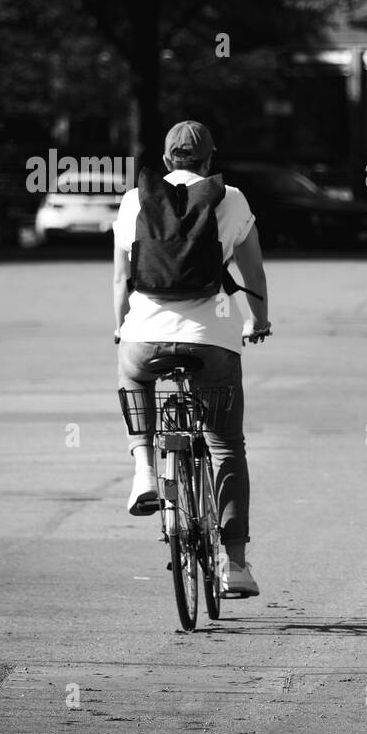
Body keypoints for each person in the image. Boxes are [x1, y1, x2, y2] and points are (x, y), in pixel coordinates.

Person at [112, 120, 271, 598]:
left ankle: (144, 470)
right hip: (213, 342)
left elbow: (121, 280)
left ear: (165, 161)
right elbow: (253, 273)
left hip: (145, 337)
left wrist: (122, 326)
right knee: (226, 448)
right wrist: (257, 321)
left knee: (132, 377)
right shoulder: (232, 198)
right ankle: (235, 564)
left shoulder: (134, 199)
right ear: (209, 161)